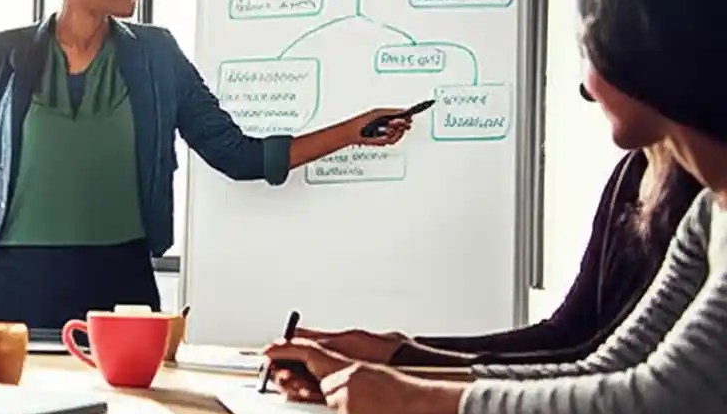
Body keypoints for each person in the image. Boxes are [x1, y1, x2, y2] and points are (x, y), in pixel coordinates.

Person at [265, 0, 727, 414]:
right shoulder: (708, 215)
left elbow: (662, 405)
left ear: (645, 52)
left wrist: (419, 399)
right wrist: (397, 376)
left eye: (590, 49)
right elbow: (606, 367)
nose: (586, 85)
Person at [0, 0, 416, 334]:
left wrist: (353, 131)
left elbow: (239, 155)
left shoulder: (156, 55)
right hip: (13, 291)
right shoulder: (3, 55)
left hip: (119, 289)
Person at [284, 143, 702, 371]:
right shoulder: (634, 168)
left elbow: (608, 371)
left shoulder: (705, 198)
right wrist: (399, 349)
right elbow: (569, 333)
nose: (587, 87)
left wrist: (404, 366)